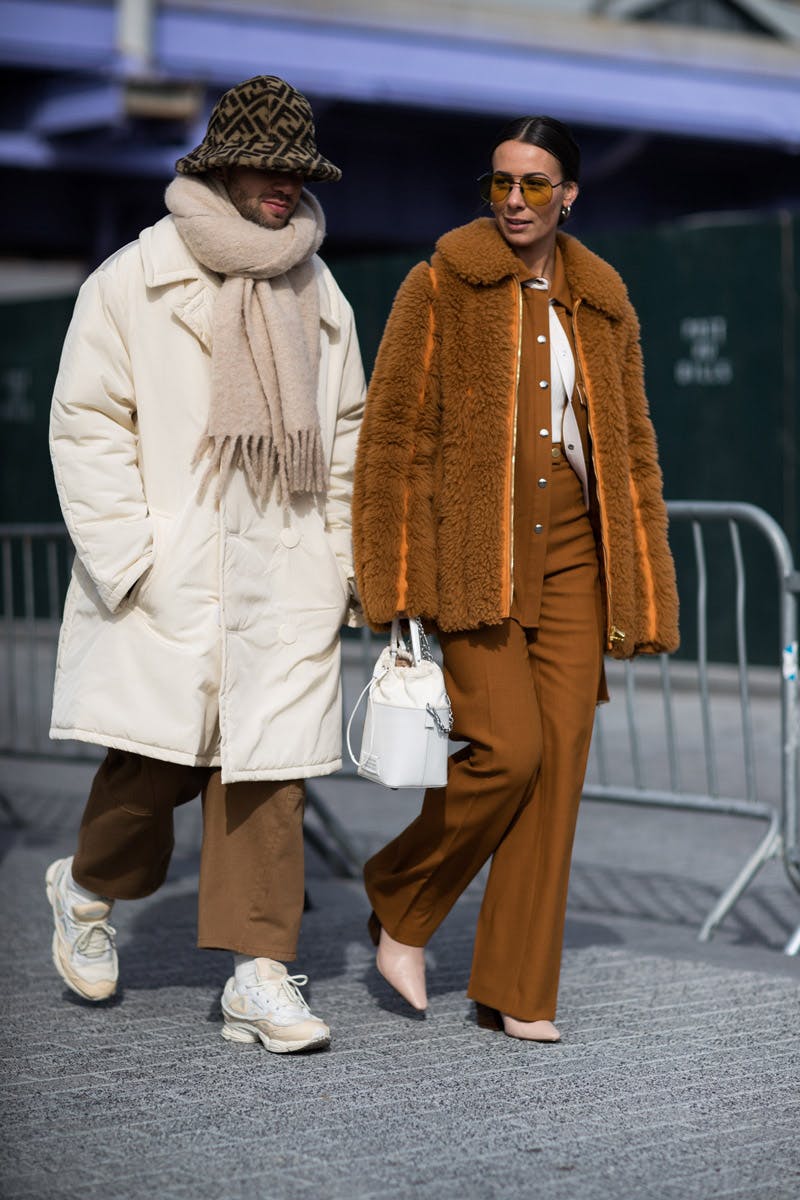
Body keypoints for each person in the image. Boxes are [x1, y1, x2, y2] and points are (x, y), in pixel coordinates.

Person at [45, 75, 365, 1054]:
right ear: (221, 167)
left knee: (269, 777)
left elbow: (347, 437)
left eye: (297, 173)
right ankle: (85, 888)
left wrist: (341, 564)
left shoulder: (318, 290)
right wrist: (130, 558)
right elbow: (87, 425)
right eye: (267, 169)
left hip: (284, 576)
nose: (284, 186)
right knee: (149, 772)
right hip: (170, 576)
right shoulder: (131, 280)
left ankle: (259, 977)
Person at [352, 116, 678, 1043]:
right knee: (507, 751)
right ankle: (401, 900)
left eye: (536, 185)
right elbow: (394, 438)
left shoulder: (604, 301)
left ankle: (516, 991)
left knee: (560, 763)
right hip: (477, 554)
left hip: (577, 555)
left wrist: (646, 579)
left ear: (568, 194)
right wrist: (397, 577)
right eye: (501, 183)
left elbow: (633, 449)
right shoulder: (439, 284)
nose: (515, 201)